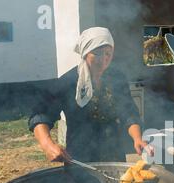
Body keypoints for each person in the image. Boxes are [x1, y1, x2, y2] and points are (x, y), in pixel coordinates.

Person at [29, 27, 152, 163]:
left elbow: (128, 112)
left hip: (114, 154)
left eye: (108, 53)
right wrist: (47, 145)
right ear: (85, 53)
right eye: (97, 53)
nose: (103, 59)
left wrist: (137, 138)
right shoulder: (68, 82)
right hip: (80, 158)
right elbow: (41, 114)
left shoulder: (117, 78)